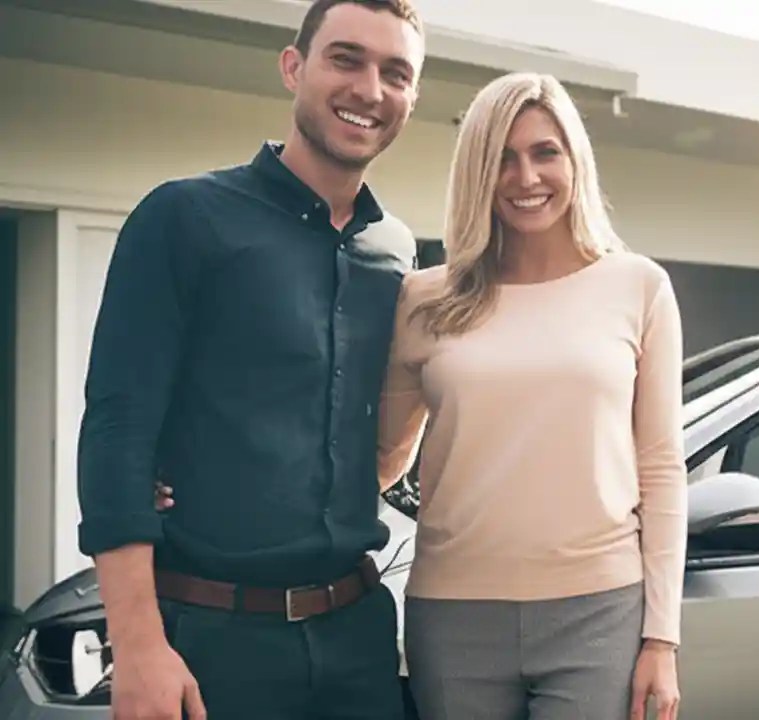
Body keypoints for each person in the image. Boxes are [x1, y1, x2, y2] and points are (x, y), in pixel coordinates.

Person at [76, 1, 426, 718]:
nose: (370, 89)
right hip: (211, 643)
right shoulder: (183, 218)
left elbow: (374, 436)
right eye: (346, 58)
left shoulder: (396, 253)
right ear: (293, 67)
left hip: (358, 635)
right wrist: (137, 645)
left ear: (411, 98)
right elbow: (117, 432)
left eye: (396, 73)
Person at [377, 72, 688, 720]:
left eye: (545, 152)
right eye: (502, 159)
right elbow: (377, 458)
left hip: (599, 615)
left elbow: (661, 469)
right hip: (452, 619)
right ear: (477, 174)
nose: (525, 177)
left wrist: (661, 637)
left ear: (575, 158)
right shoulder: (424, 300)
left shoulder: (639, 288)